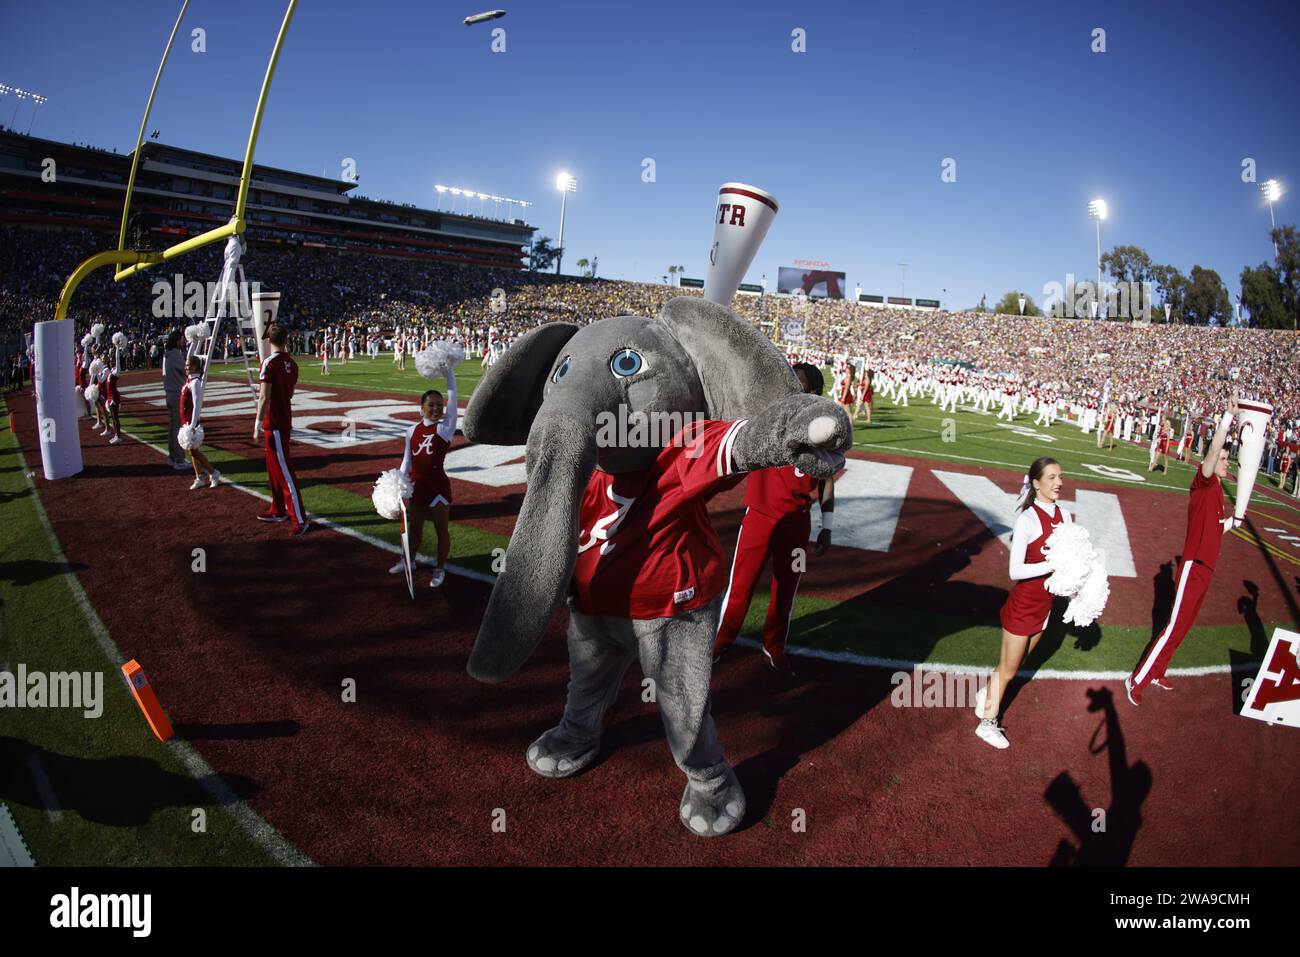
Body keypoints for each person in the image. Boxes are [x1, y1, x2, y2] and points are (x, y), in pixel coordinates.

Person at [712, 362, 837, 675]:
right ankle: (721, 640)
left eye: (799, 382)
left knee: (786, 590)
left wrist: (828, 525)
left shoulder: (823, 429)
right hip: (759, 514)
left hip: (796, 520)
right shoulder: (769, 412)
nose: (790, 385)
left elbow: (827, 479)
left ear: (814, 392)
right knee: (740, 585)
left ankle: (774, 644)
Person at [1126, 392, 1240, 705]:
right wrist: (1228, 419)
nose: (1228, 464)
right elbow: (1214, 448)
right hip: (1194, 566)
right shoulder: (1204, 483)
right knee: (1174, 624)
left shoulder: (1216, 494)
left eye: (1229, 460)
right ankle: (1136, 680)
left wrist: (1234, 522)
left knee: (1184, 626)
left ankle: (1159, 669)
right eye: (1225, 460)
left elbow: (1215, 530)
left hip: (1206, 568)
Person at [975, 456, 1073, 749]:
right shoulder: (1027, 519)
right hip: (1024, 605)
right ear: (1036, 483)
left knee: (1013, 665)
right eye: (1052, 477)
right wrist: (1053, 563)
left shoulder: (1065, 516)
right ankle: (986, 724)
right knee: (1007, 670)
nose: (1059, 483)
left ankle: (987, 694)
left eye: (1060, 477)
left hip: (1046, 606)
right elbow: (1015, 571)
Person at [390, 368, 458, 587]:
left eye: (439, 405)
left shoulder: (445, 429)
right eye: (431, 404)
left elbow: (454, 399)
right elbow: (407, 461)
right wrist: (398, 483)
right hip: (418, 486)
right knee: (415, 529)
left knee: (441, 529)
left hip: (438, 487)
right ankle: (408, 560)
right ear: (422, 409)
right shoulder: (411, 430)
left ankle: (439, 569)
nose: (437, 408)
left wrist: (449, 374)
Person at [254, 324, 308, 534]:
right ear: (286, 339)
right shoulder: (292, 365)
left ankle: (300, 518)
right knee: (274, 469)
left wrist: (257, 423)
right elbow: (290, 394)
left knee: (284, 472)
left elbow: (264, 396)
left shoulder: (269, 363)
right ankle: (278, 509)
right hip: (284, 419)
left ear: (269, 340)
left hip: (274, 422)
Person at [180, 356, 220, 489]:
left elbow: (197, 405)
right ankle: (200, 477)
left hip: (191, 421)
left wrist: (192, 425)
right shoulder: (190, 379)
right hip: (186, 420)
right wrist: (195, 340)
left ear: (195, 367)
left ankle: (213, 473)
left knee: (194, 451)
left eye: (188, 365)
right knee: (192, 451)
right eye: (185, 365)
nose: (185, 367)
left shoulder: (195, 382)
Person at [162, 330, 188, 470]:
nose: (183, 341)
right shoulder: (176, 354)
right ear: (177, 340)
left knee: (172, 427)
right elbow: (186, 370)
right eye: (182, 339)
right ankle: (179, 459)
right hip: (176, 393)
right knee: (178, 427)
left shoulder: (166, 354)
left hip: (169, 393)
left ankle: (172, 457)